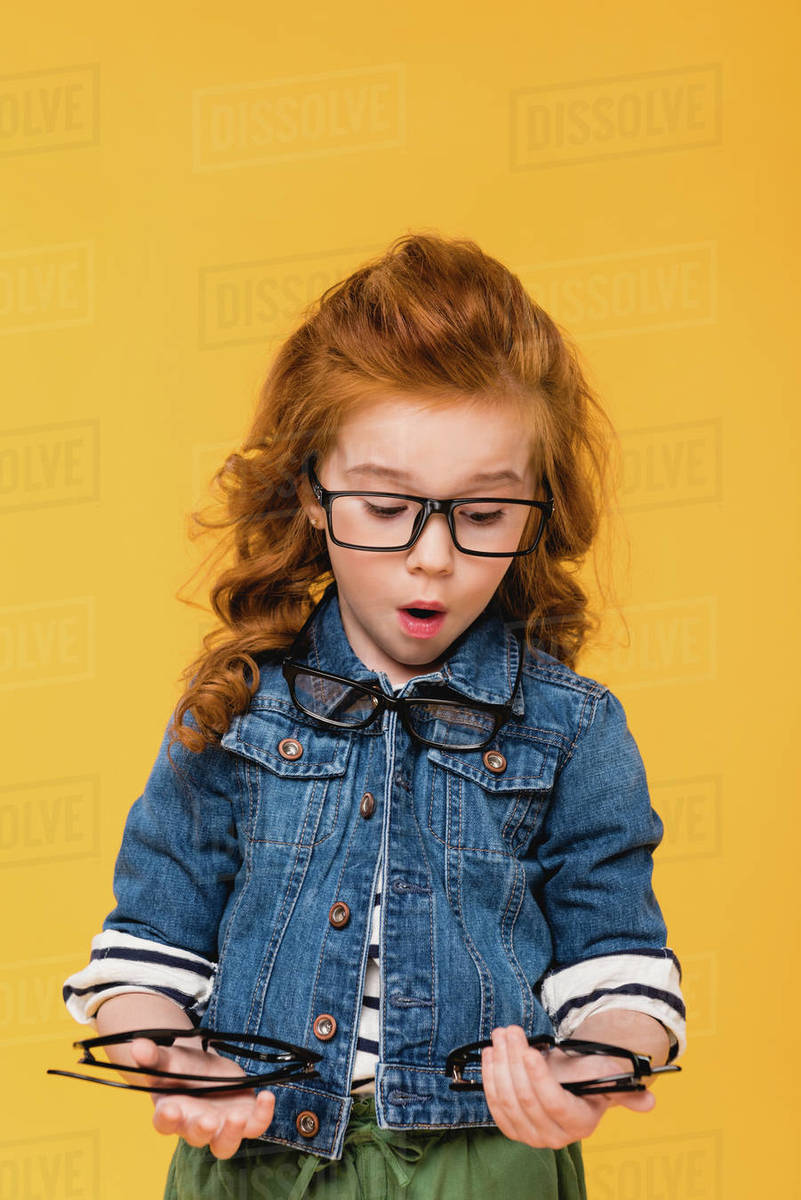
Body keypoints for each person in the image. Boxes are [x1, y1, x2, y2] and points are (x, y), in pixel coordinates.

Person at [61, 232, 686, 1199]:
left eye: (481, 515)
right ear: (312, 490)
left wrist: (592, 1069)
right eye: (384, 506)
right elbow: (152, 939)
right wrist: (165, 1053)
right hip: (255, 1158)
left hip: (485, 1163)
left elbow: (619, 961)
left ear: (537, 509)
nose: (431, 559)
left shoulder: (573, 729)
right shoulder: (232, 707)